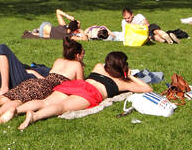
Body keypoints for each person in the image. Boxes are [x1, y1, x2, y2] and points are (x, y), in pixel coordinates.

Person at [8, 50, 154, 129]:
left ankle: (16, 111)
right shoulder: (123, 83)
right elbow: (147, 89)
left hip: (76, 85)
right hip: (90, 93)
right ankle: (34, 117)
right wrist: (130, 76)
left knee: (45, 102)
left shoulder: (98, 67)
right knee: (61, 107)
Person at [0, 39, 87, 120]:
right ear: (77, 55)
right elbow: (79, 85)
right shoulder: (77, 65)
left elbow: (50, 77)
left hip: (35, 82)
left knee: (5, 97)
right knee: (18, 101)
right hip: (44, 88)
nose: (83, 56)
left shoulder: (58, 61)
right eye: (83, 54)